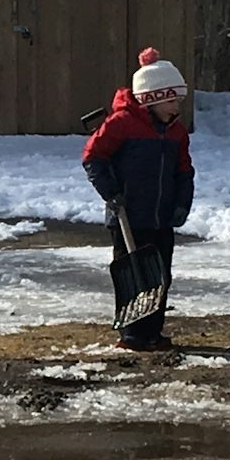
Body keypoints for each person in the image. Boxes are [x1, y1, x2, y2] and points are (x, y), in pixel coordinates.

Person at [80, 47, 193, 348]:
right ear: (152, 98)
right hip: (128, 216)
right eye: (171, 101)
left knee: (160, 275)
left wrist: (182, 203)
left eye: (178, 101)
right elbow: (93, 157)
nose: (176, 107)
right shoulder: (120, 124)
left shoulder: (176, 132)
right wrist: (112, 193)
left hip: (161, 217)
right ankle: (132, 332)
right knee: (134, 274)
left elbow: (184, 170)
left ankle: (153, 331)